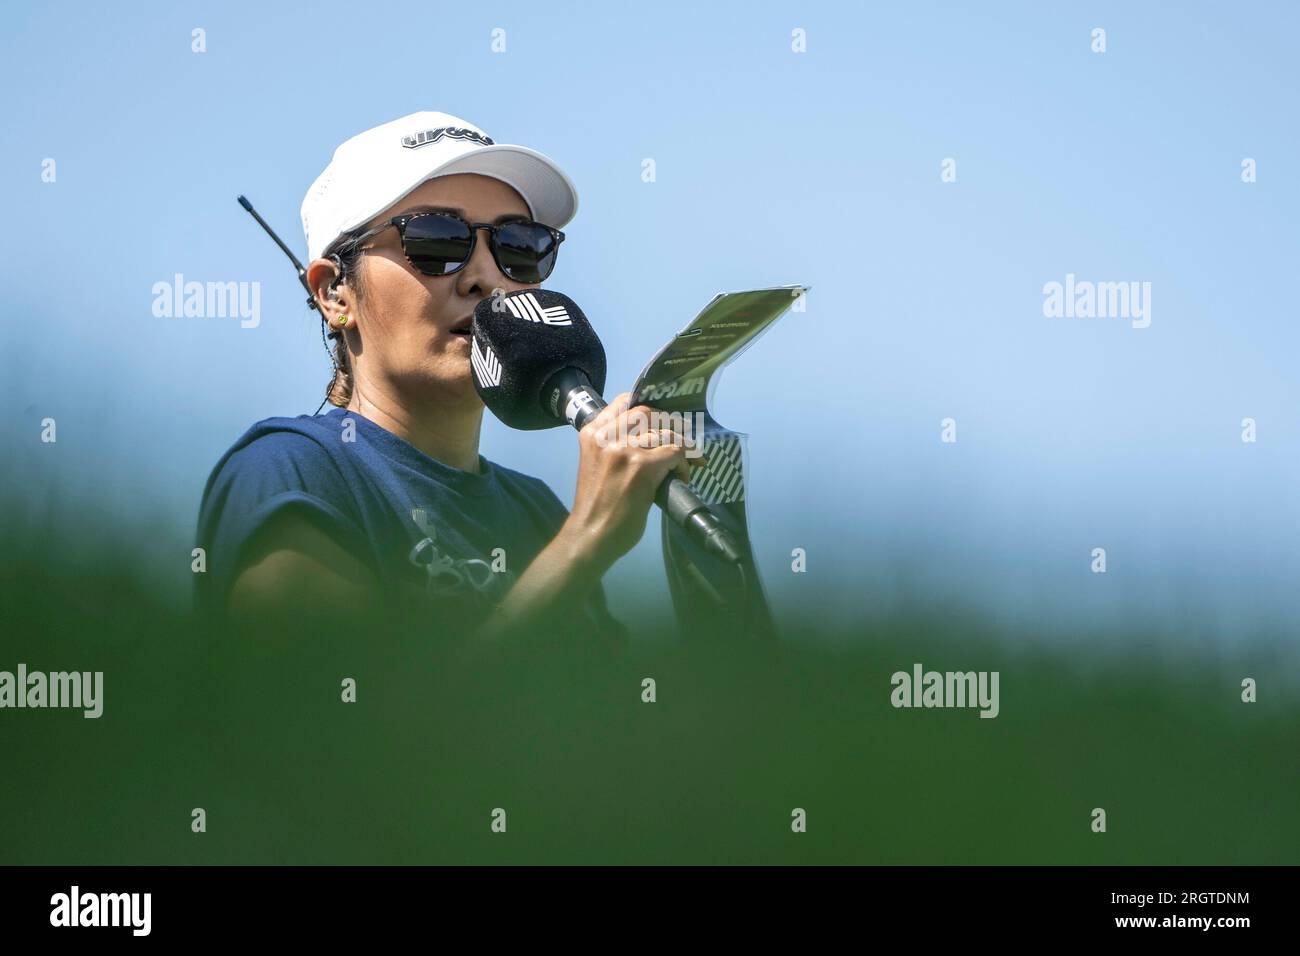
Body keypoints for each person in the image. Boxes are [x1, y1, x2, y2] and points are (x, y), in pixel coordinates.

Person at [195, 111, 690, 642]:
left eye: (520, 246)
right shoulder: (288, 473)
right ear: (334, 294)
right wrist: (586, 541)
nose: (486, 278)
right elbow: (333, 721)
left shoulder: (536, 512)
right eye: (437, 241)